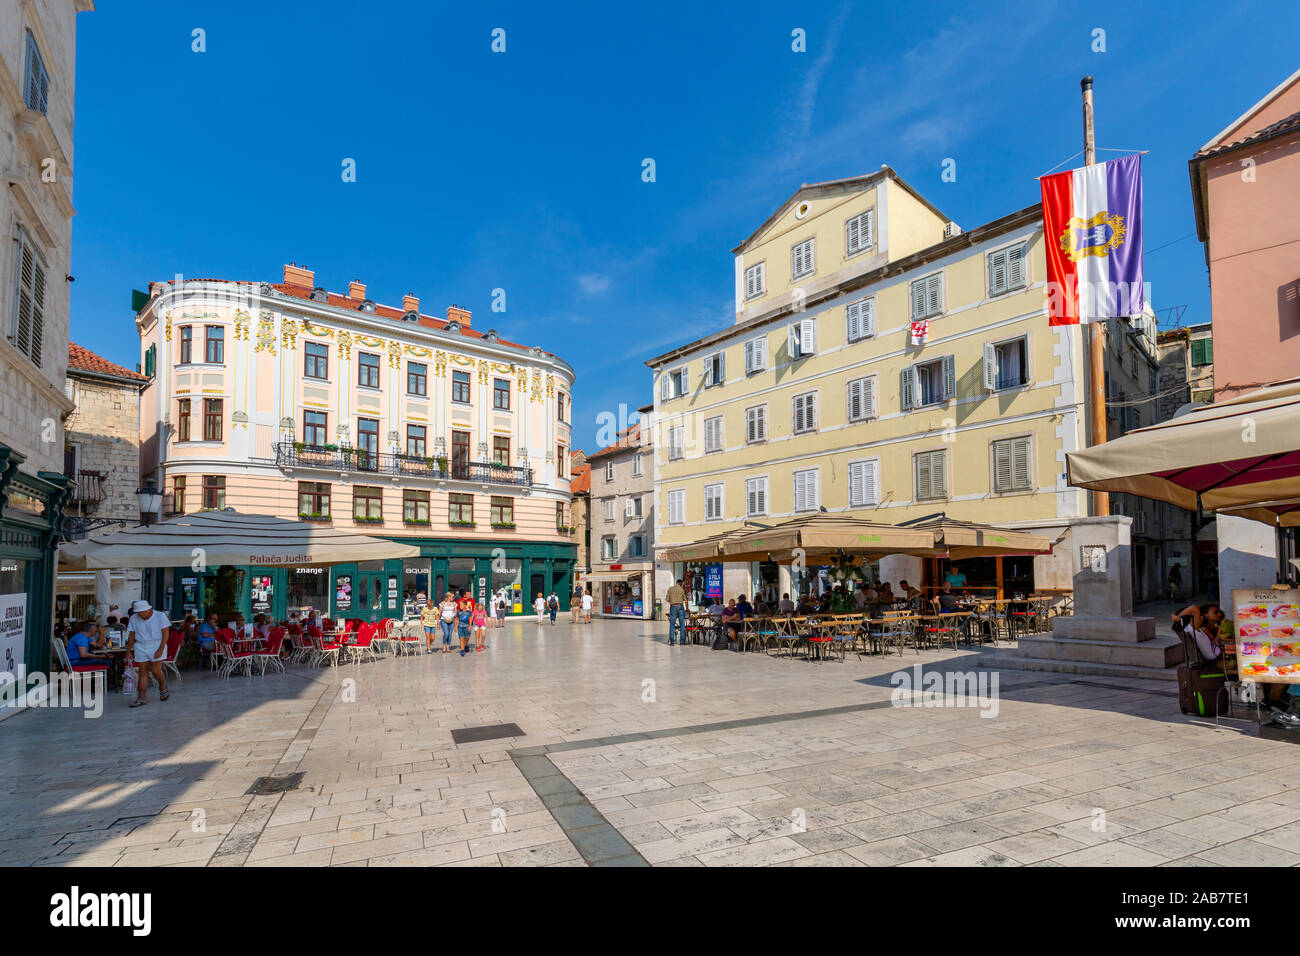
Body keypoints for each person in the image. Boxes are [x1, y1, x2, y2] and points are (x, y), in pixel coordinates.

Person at [125, 599, 171, 708]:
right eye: (139, 612)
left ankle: (162, 685)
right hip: (140, 645)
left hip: (157, 643)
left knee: (155, 670)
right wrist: (128, 651)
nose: (141, 614)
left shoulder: (160, 616)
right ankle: (141, 697)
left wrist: (160, 648)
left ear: (149, 609)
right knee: (143, 671)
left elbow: (165, 634)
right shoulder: (134, 618)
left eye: (143, 611)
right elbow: (132, 635)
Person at [665, 578, 688, 646]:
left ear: (676, 582)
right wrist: (687, 609)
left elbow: (667, 600)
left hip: (673, 607)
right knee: (682, 624)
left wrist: (672, 602)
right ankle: (682, 641)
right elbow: (685, 601)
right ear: (681, 583)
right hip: (680, 607)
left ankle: (672, 641)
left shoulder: (670, 589)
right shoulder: (682, 589)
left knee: (672, 625)